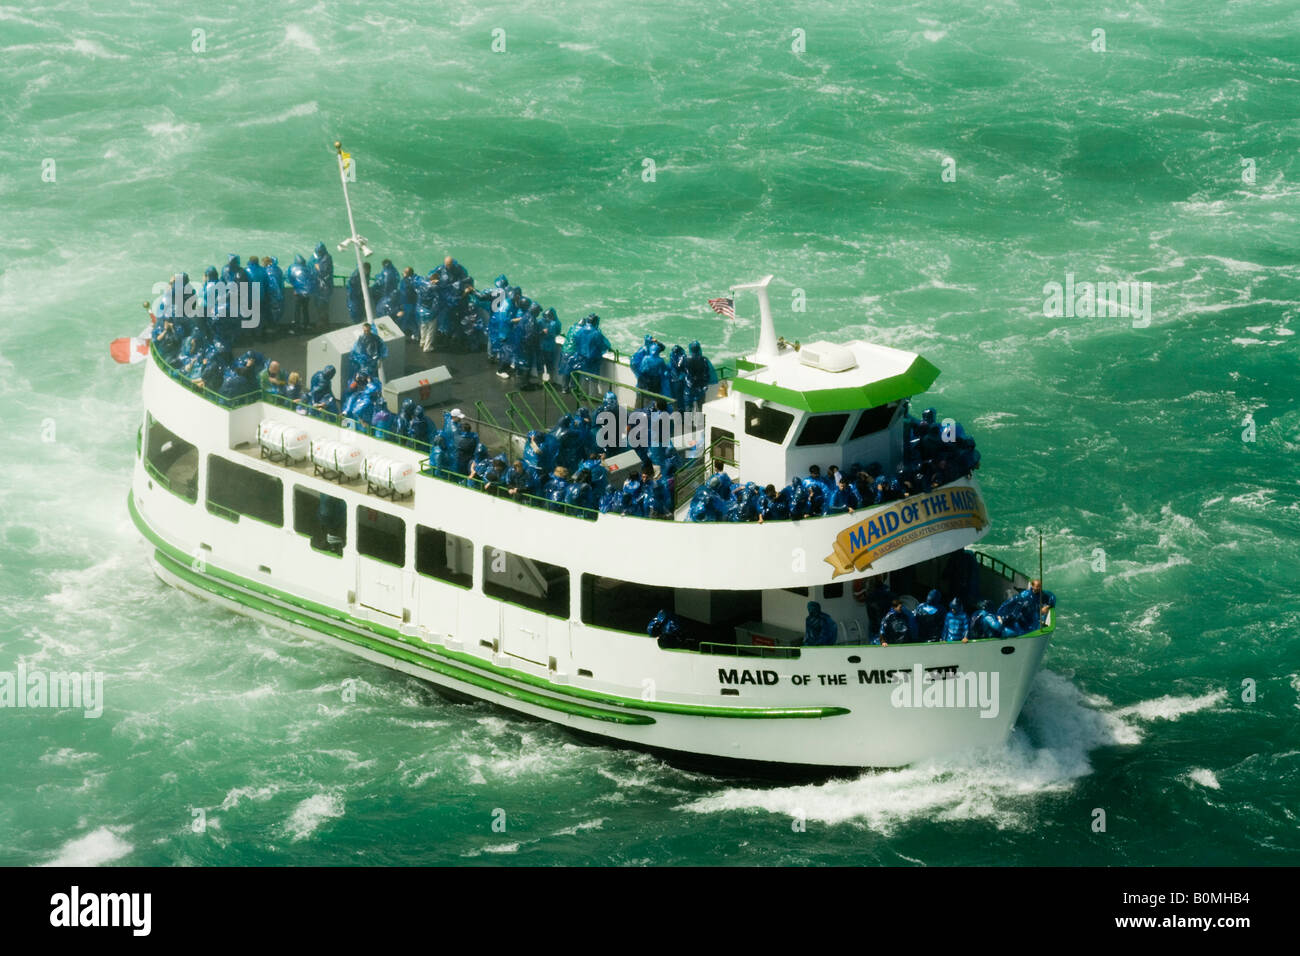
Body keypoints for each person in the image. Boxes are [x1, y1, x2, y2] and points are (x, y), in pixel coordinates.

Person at [286, 254, 317, 333]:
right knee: (305, 309)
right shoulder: (308, 268)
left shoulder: (292, 267)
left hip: (298, 293)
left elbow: (288, 277)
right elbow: (313, 278)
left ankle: (296, 328)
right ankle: (306, 325)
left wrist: (295, 286)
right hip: (307, 293)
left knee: (297, 311)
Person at [682, 340, 714, 412]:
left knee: (688, 406)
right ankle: (699, 422)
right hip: (701, 386)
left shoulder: (686, 359)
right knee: (700, 406)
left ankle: (688, 422)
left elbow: (680, 369)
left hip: (689, 386)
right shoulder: (704, 359)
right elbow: (708, 373)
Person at [310, 241, 334, 325]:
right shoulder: (315, 257)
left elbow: (322, 271)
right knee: (318, 304)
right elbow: (310, 265)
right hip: (318, 286)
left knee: (323, 305)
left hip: (325, 286)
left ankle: (324, 322)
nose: (318, 253)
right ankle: (321, 321)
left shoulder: (327, 258)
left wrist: (316, 266)